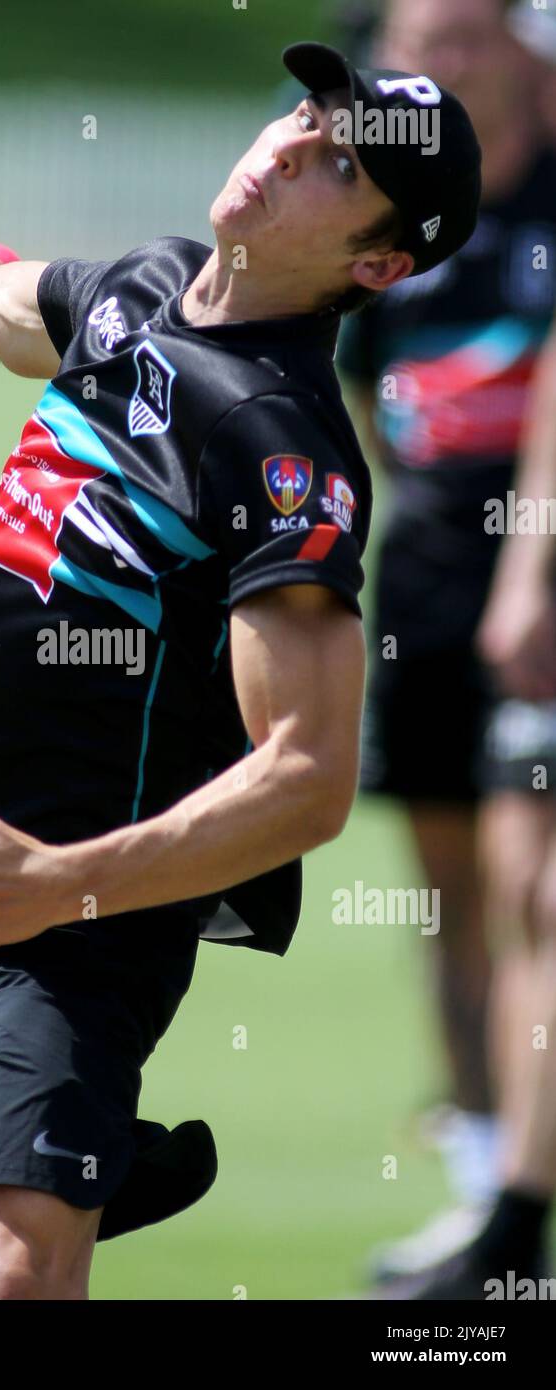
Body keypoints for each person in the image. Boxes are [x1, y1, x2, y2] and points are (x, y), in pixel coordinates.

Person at [0, 43, 480, 1300]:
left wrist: (56, 888)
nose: (290, 144)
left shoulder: (281, 448)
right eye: (306, 114)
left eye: (339, 161)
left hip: (70, 933)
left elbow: (306, 781)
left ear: (378, 263)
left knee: (6, 1279)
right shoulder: (134, 292)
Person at [338, 0, 556, 1280]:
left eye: (478, 34)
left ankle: (518, 1210)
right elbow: (365, 393)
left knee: (535, 888)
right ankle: (483, 1182)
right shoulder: (397, 207)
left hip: (536, 578)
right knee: (452, 893)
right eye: (429, 43)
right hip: (424, 572)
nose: (455, 63)